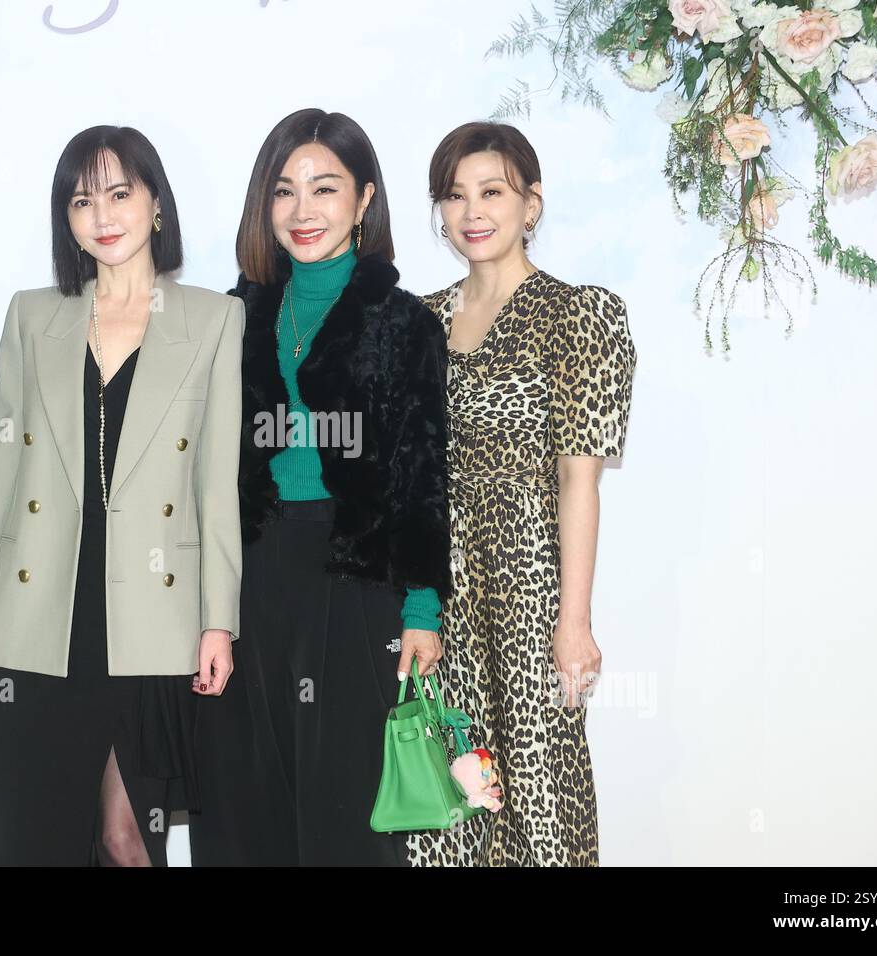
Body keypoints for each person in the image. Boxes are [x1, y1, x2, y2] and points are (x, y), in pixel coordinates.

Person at [0, 125, 244, 866]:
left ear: (156, 205)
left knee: (126, 841)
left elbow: (216, 485)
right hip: (38, 615)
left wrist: (219, 621)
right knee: (29, 840)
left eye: (120, 193)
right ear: (66, 218)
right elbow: (1, 469)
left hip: (151, 621)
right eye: (82, 201)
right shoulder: (31, 314)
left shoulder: (214, 320)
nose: (103, 215)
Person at [188, 108, 452, 866]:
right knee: (242, 803)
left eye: (325, 188)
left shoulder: (405, 324)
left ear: (366, 200)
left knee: (346, 810)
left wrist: (423, 608)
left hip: (354, 578)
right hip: (245, 578)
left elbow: (423, 473)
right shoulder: (229, 318)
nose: (303, 211)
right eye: (284, 191)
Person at [406, 121, 636, 867]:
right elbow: (411, 479)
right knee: (450, 789)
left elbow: (579, 483)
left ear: (530, 204)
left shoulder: (579, 315)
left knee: (538, 785)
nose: (472, 211)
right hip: (444, 592)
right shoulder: (419, 321)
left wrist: (575, 621)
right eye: (454, 195)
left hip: (533, 585)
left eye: (492, 192)